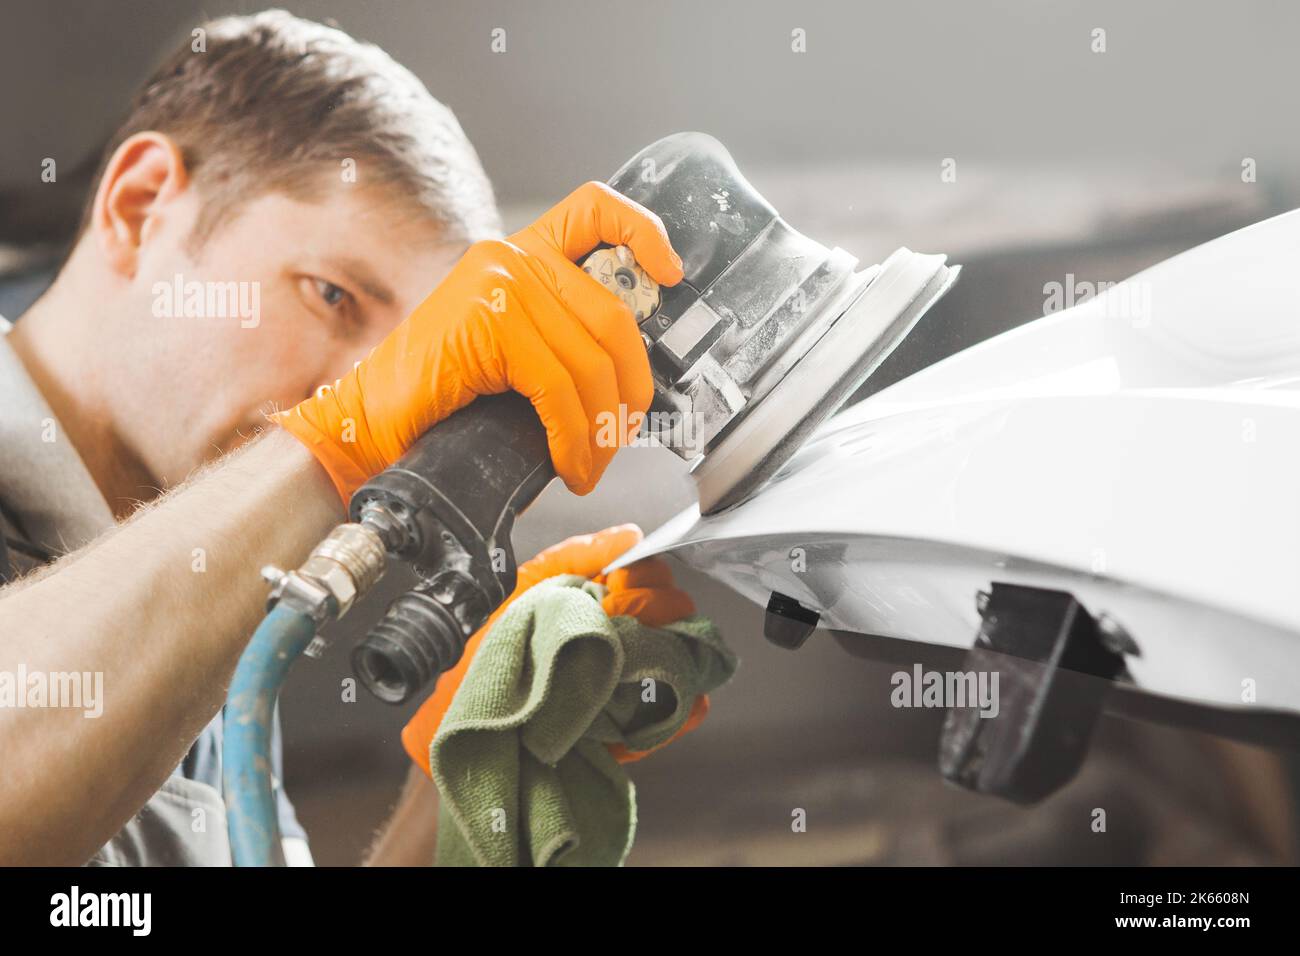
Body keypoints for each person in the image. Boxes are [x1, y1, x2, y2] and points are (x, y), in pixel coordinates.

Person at [0, 10, 683, 865]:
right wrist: (338, 437)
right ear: (139, 207)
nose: (382, 411)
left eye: (410, 366)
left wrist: (459, 795)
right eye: (332, 296)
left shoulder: (225, 646)